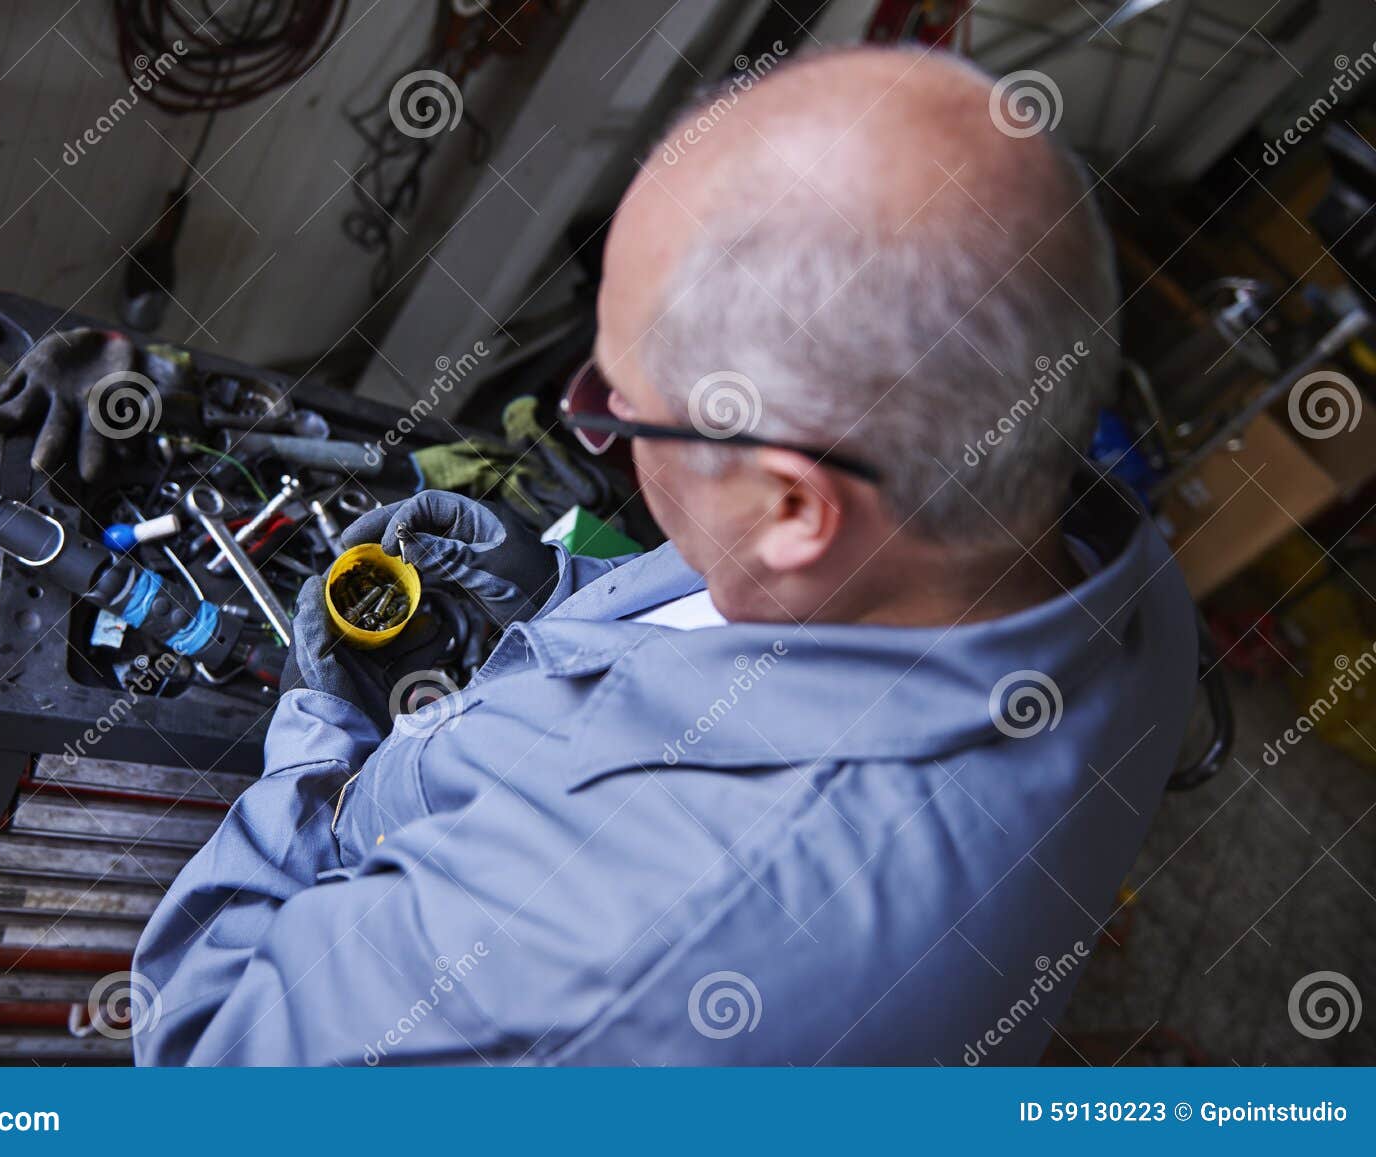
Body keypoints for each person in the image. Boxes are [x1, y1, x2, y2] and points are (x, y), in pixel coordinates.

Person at [132, 45, 1196, 1065]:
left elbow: (205, 1057)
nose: (587, 417)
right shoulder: (1101, 563)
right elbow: (752, 621)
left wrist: (315, 761)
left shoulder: (595, 945)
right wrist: (558, 603)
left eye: (616, 406)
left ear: (793, 503)